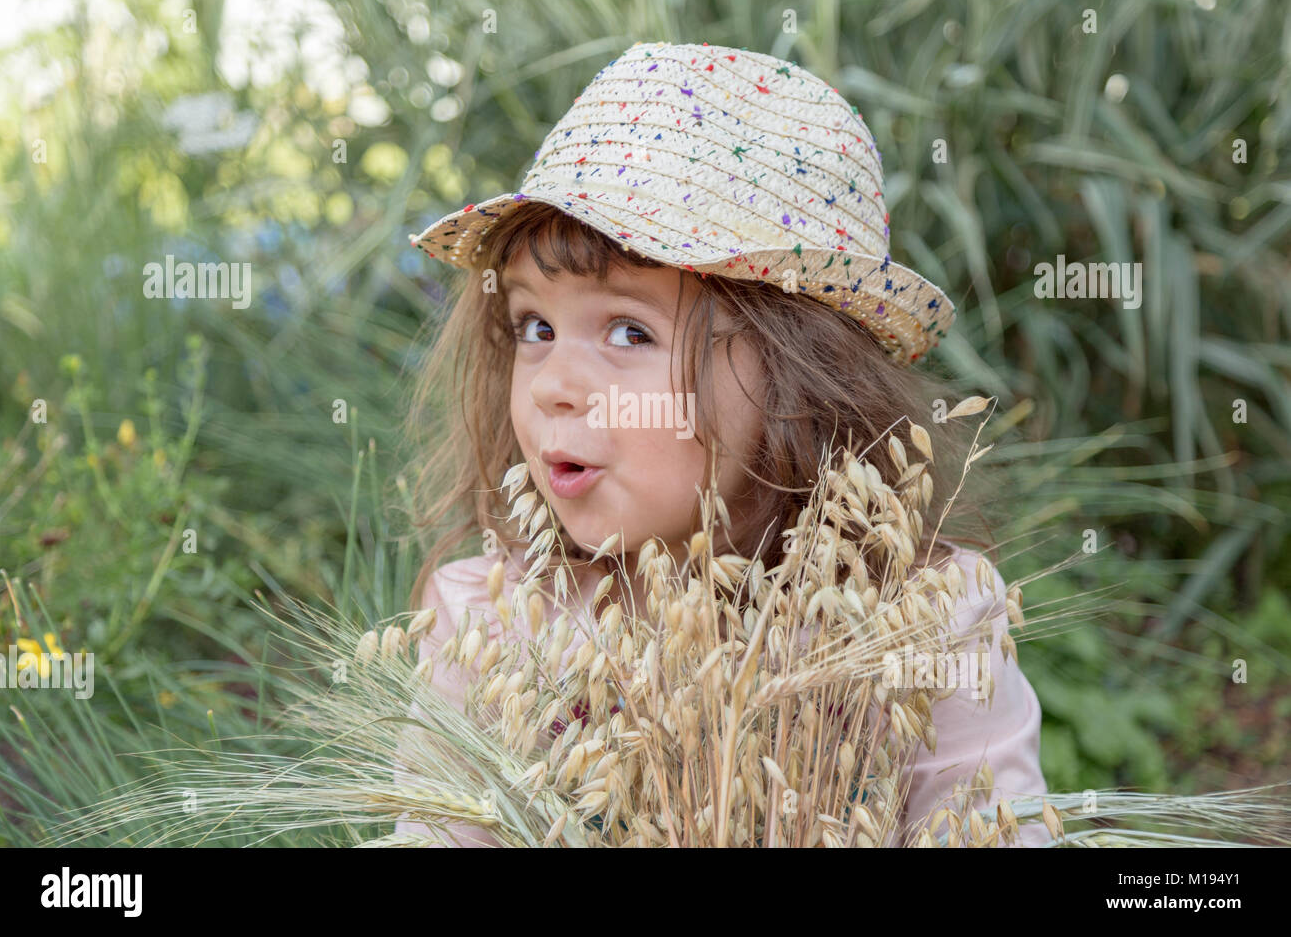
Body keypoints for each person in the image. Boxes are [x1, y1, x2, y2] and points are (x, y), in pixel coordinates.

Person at [394, 41, 1048, 847]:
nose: (550, 384)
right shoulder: (489, 621)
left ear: (794, 376)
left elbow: (994, 829)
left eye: (629, 331)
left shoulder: (921, 620)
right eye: (534, 326)